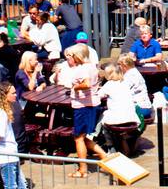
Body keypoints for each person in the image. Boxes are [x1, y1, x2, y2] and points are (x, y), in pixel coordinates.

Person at [59, 43, 109, 174]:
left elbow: (86, 84)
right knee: (83, 136)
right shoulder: (91, 67)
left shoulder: (81, 69)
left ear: (78, 56)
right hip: (91, 104)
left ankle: (82, 169)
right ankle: (104, 156)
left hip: (82, 106)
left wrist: (73, 87)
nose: (69, 58)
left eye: (71, 56)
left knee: (78, 138)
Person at [99, 64, 141, 157]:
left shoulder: (109, 85)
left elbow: (99, 95)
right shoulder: (126, 83)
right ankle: (129, 141)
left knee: (104, 123)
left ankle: (111, 146)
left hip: (117, 119)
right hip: (132, 118)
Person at [119, 54, 153, 123]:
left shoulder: (130, 75)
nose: (118, 67)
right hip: (145, 107)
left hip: (140, 109)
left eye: (119, 64)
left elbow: (122, 90)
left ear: (124, 66)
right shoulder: (134, 71)